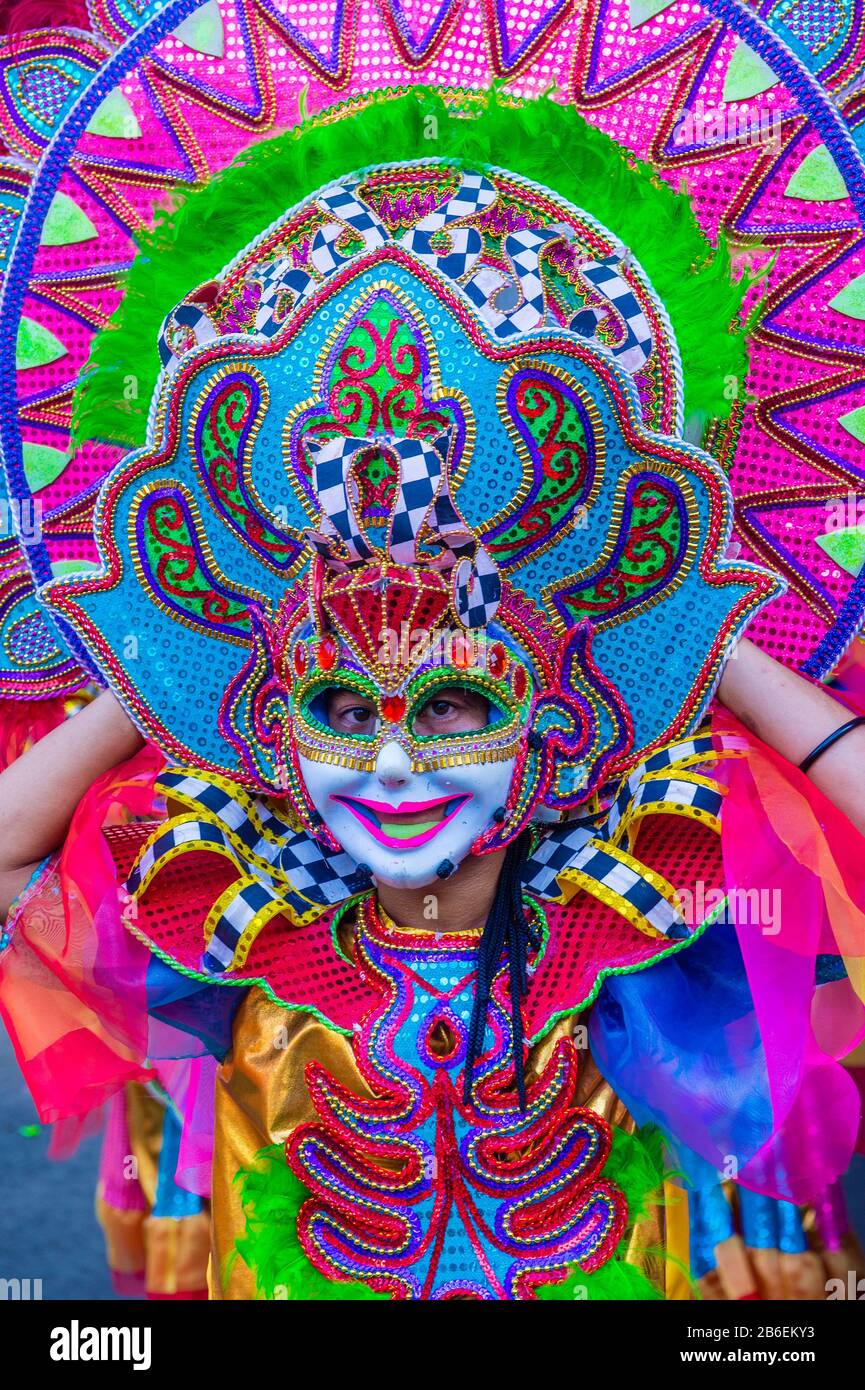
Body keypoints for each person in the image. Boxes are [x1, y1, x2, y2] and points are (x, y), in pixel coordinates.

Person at [1, 91, 863, 1300]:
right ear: (277, 730)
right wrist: (182, 661)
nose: (393, 765)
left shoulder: (638, 890)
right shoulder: (242, 901)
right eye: (346, 711)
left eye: (453, 707)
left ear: (556, 724)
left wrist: (674, 637)